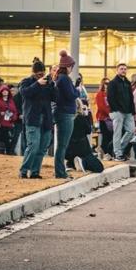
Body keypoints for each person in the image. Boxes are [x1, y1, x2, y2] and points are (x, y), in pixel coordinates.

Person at [19, 60, 56, 179]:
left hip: (46, 120)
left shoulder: (48, 83)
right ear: (34, 73)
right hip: (32, 119)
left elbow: (55, 97)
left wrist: (53, 84)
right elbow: (25, 93)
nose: (41, 76)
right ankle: (24, 170)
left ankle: (35, 171)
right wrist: (37, 84)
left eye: (43, 74)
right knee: (33, 145)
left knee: (42, 147)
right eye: (39, 74)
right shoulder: (26, 82)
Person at [53, 51, 80, 179]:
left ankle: (61, 171)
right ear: (68, 66)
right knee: (62, 145)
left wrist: (74, 90)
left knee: (62, 145)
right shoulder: (64, 79)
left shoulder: (61, 78)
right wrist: (77, 91)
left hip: (63, 112)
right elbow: (72, 95)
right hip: (65, 113)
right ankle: (60, 172)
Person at [107, 63, 135, 161]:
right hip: (117, 111)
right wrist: (116, 109)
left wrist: (133, 111)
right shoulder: (112, 83)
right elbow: (110, 98)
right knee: (117, 133)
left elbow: (131, 98)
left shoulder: (127, 83)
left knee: (131, 131)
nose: (123, 70)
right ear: (117, 70)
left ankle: (118, 150)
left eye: (125, 69)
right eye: (121, 69)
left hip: (128, 111)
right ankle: (118, 153)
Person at [66, 100, 104, 173]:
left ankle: (71, 164)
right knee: (99, 167)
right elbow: (88, 131)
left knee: (73, 157)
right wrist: (87, 116)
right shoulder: (81, 118)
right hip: (82, 149)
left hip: (68, 150)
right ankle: (82, 162)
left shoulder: (66, 118)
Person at [0, 85, 19, 154]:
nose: (5, 92)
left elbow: (15, 111)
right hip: (0, 123)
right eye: (3, 91)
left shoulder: (11, 101)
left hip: (9, 123)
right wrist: (0, 113)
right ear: (1, 92)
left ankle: (8, 150)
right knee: (1, 137)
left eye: (6, 91)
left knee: (8, 137)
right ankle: (3, 150)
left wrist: (13, 117)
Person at [94, 78, 113, 159]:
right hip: (103, 118)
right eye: (105, 83)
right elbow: (101, 107)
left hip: (111, 118)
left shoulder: (111, 94)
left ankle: (105, 152)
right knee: (106, 136)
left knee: (110, 136)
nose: (107, 85)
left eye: (109, 83)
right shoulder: (100, 94)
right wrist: (109, 113)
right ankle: (103, 152)